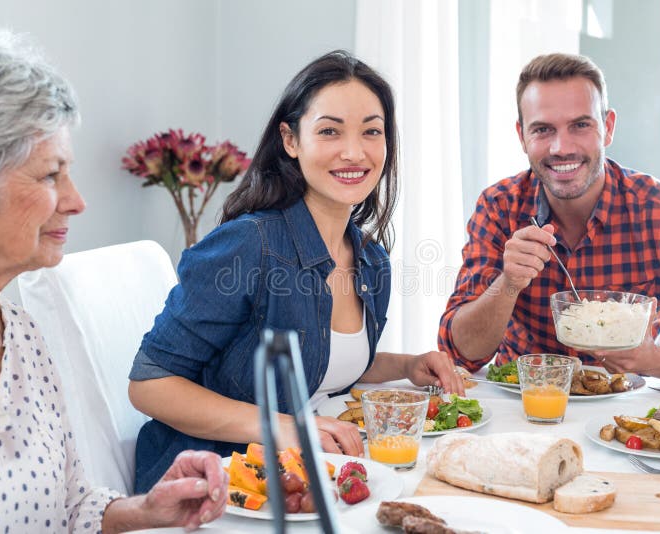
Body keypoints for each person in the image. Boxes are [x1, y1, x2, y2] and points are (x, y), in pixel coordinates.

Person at [128, 50, 464, 492]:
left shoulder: (370, 259)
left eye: (371, 131)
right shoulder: (249, 244)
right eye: (329, 131)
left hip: (306, 474)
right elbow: (150, 383)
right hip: (212, 482)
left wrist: (406, 365)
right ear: (290, 140)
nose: (353, 151)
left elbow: (315, 363)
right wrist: (285, 428)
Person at [0, 27, 228, 532]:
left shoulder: (21, 335)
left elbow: (74, 505)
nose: (77, 200)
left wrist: (147, 508)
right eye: (49, 175)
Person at [438, 53, 660, 384]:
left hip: (622, 413)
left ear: (608, 127)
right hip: (523, 409)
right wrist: (508, 283)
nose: (561, 147)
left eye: (580, 125)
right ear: (522, 136)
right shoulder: (499, 207)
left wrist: (651, 359)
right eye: (542, 129)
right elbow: (460, 352)